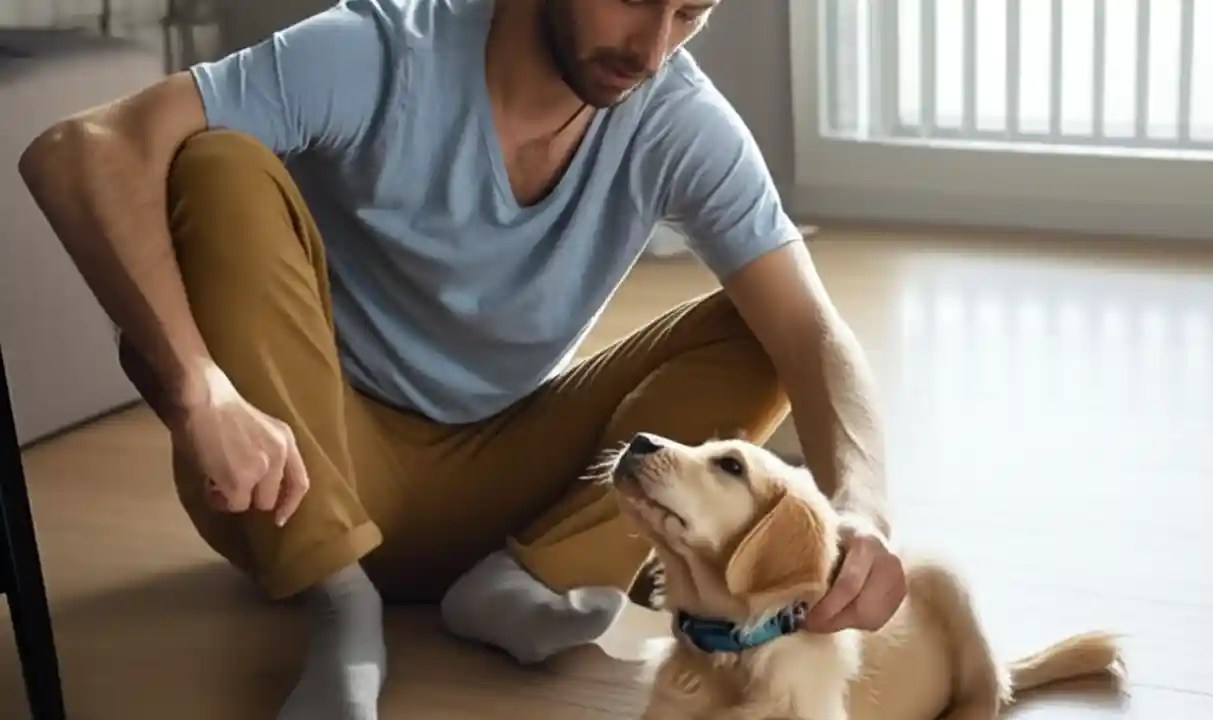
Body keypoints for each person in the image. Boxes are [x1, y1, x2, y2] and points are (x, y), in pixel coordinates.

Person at [18, 0, 907, 718]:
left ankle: (532, 580)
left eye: (689, 15)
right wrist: (199, 390)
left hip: (503, 482)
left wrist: (861, 512)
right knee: (216, 164)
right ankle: (340, 606)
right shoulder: (379, 50)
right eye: (634, 1)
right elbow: (79, 151)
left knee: (762, 326)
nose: (651, 49)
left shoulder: (676, 117)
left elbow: (814, 333)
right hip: (304, 469)